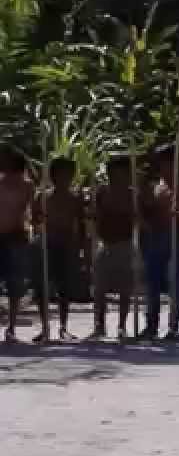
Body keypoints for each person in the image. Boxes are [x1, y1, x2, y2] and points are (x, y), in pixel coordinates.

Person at [32, 157, 84, 341]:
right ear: (53, 176)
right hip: (46, 244)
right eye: (60, 174)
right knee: (42, 287)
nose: (64, 178)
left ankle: (64, 326)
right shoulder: (42, 196)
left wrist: (82, 250)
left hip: (66, 245)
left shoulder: (75, 198)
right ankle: (45, 326)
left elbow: (81, 224)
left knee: (65, 287)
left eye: (68, 174)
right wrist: (40, 219)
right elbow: (34, 221)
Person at [91, 155, 136, 341]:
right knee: (99, 289)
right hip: (105, 244)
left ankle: (122, 326)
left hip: (125, 244)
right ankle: (99, 326)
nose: (116, 177)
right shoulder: (102, 192)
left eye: (120, 173)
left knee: (125, 289)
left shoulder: (132, 194)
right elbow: (95, 217)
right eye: (112, 173)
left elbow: (137, 217)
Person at [141, 144, 179, 341]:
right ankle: (151, 325)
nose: (161, 166)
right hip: (156, 239)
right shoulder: (157, 186)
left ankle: (174, 326)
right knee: (152, 285)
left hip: (177, 239)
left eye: (165, 161)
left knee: (176, 284)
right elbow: (148, 214)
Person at [0, 143, 33, 342]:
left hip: (16, 237)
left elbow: (32, 210)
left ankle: (11, 327)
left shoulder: (27, 185)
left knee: (15, 284)